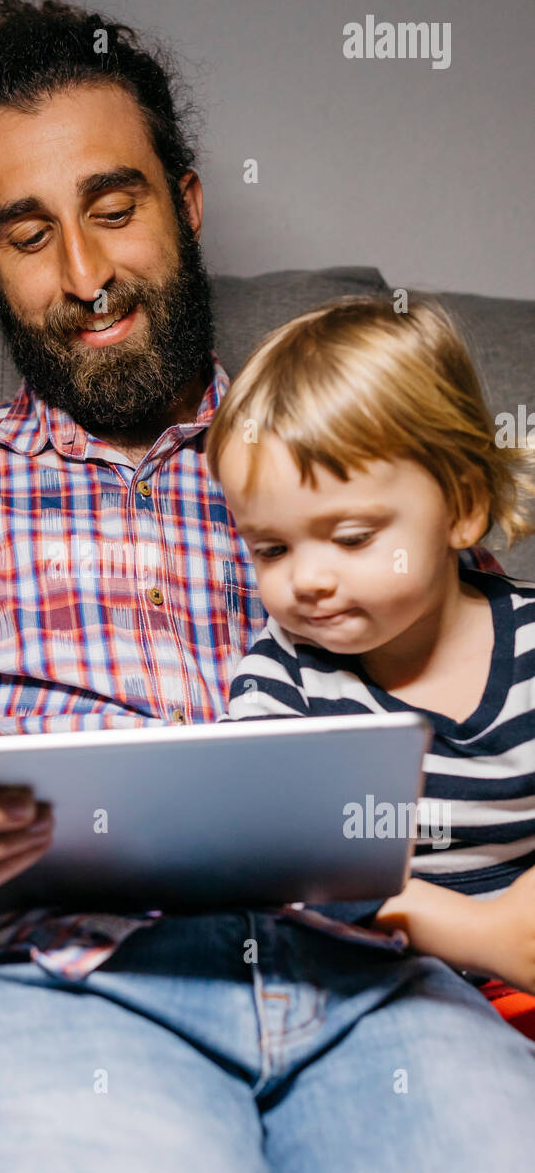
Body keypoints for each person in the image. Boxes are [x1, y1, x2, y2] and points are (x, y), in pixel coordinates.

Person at [0, 0, 535, 1173]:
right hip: (51, 987)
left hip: (374, 985)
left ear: (183, 203)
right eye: (26, 235)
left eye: (112, 208)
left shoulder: (350, 444)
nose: (83, 275)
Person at [208, 294, 535, 996]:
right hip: (377, 987)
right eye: (271, 549)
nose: (308, 580)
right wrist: (479, 934)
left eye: (353, 538)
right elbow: (281, 862)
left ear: (463, 505)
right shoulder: (283, 678)